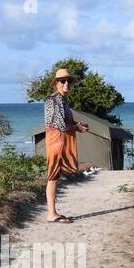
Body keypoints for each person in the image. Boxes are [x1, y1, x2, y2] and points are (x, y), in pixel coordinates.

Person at [43, 67, 88, 223]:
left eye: (68, 80)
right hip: (56, 141)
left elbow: (64, 122)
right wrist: (76, 127)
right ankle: (51, 214)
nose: (66, 83)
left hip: (59, 141)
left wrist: (77, 124)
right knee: (53, 176)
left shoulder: (62, 100)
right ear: (56, 83)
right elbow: (61, 125)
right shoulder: (53, 100)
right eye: (63, 81)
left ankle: (52, 212)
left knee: (54, 176)